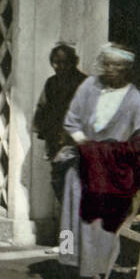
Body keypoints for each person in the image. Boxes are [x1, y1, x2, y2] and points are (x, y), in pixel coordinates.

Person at [54, 43, 140, 279]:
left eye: (118, 66)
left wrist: (114, 152)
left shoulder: (133, 98)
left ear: (127, 70)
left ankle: (96, 275)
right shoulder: (89, 87)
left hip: (112, 172)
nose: (111, 70)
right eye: (108, 65)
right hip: (83, 162)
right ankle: (73, 268)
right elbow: (71, 121)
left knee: (100, 220)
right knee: (71, 213)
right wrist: (86, 146)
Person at [33, 43, 87, 200]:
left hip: (77, 143)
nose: (60, 66)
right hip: (56, 141)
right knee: (58, 181)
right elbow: (42, 109)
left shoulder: (85, 83)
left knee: (76, 183)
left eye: (65, 62)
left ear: (74, 62)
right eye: (56, 62)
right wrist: (47, 136)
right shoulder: (51, 83)